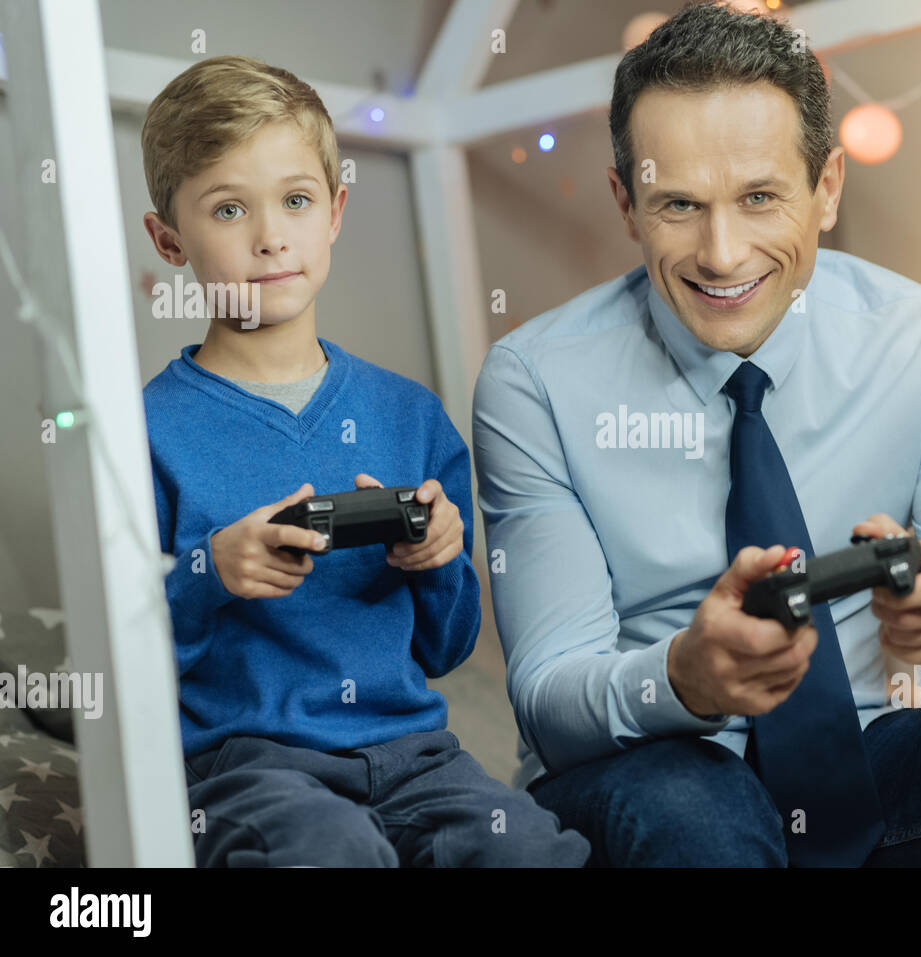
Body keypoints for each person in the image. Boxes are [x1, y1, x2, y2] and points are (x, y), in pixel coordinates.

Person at [471, 2, 921, 867]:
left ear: (828, 187)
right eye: (678, 206)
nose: (722, 253)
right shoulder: (534, 380)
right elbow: (550, 696)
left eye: (760, 197)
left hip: (883, 742)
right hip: (658, 759)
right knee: (694, 813)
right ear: (625, 202)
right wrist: (683, 675)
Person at [139, 55, 588, 867]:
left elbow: (447, 647)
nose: (271, 236)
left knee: (529, 847)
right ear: (168, 237)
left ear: (336, 211)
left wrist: (436, 558)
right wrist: (212, 568)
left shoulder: (407, 414)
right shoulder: (148, 430)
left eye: (297, 201)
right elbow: (131, 656)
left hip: (416, 758)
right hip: (248, 769)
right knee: (330, 849)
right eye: (229, 208)